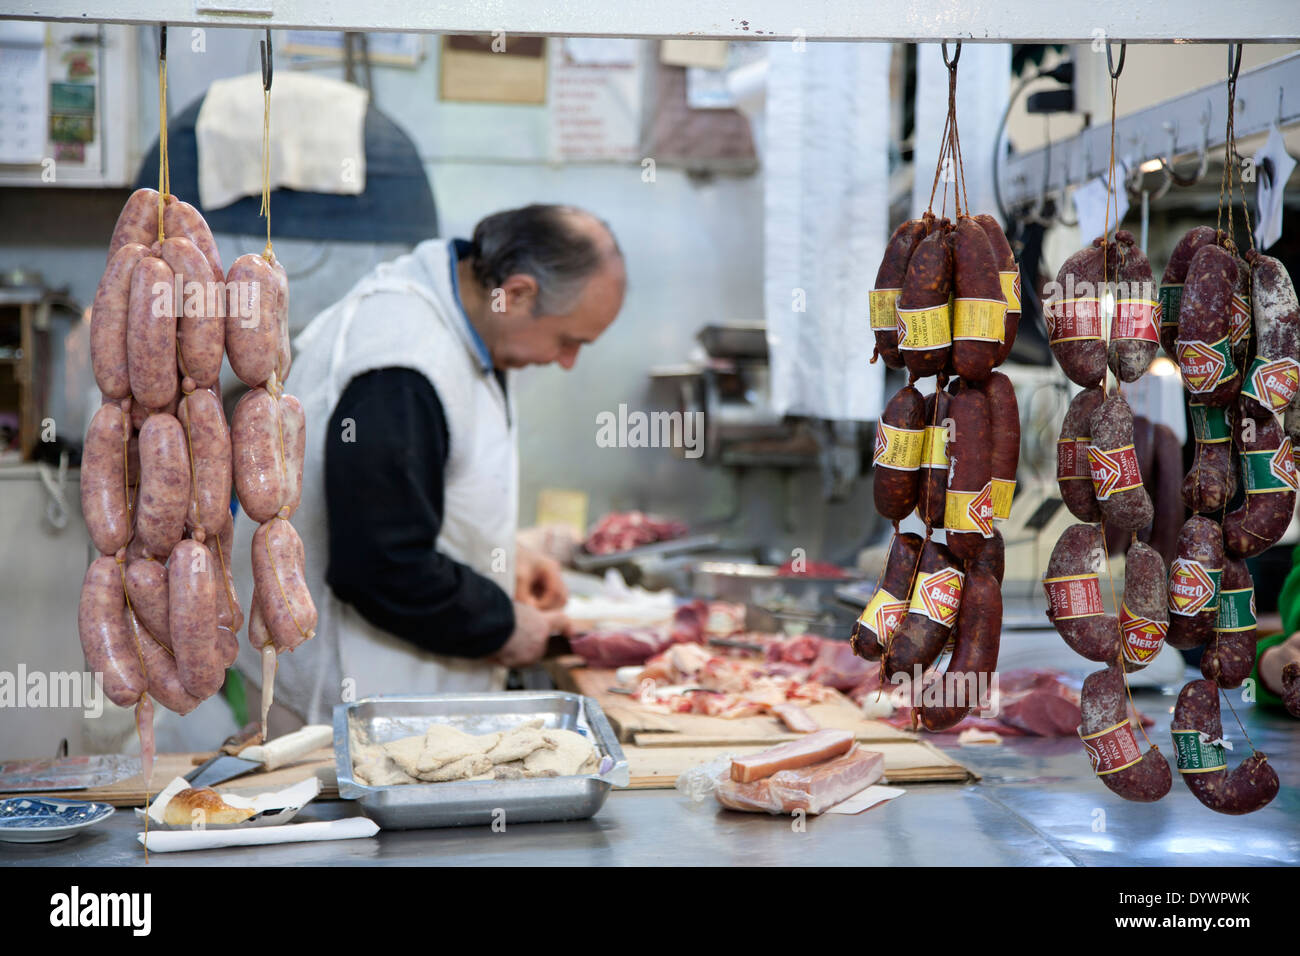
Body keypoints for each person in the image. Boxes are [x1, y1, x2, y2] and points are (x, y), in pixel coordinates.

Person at [231, 204, 627, 730]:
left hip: (396, 705)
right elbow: (381, 565)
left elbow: (419, 494)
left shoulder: (467, 324)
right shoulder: (401, 363)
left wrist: (503, 558)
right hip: (339, 721)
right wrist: (504, 626)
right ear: (518, 294)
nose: (568, 360)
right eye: (568, 340)